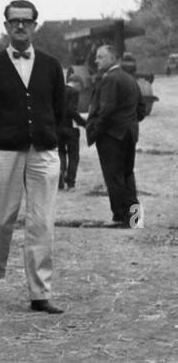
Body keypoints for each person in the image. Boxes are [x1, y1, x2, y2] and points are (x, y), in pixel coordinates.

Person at [0, 0, 66, 314]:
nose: (21, 26)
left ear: (35, 25)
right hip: (6, 152)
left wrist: (49, 136)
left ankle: (40, 293)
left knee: (41, 223)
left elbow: (59, 107)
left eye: (27, 21)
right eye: (15, 21)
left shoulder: (52, 66)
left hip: (43, 152)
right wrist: (2, 136)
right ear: (6, 26)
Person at [86, 44, 145, 228]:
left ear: (113, 59)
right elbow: (141, 110)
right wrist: (128, 122)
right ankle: (135, 220)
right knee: (128, 176)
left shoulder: (109, 79)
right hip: (129, 134)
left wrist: (96, 131)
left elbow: (107, 109)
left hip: (112, 137)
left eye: (100, 57)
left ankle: (120, 218)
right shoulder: (130, 79)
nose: (96, 60)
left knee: (114, 177)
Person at [58, 66, 83, 190]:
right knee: (74, 155)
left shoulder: (58, 90)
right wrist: (83, 122)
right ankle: (71, 182)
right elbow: (71, 111)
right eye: (80, 87)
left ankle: (60, 179)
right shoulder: (74, 92)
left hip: (57, 128)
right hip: (71, 129)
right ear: (77, 84)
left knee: (60, 153)